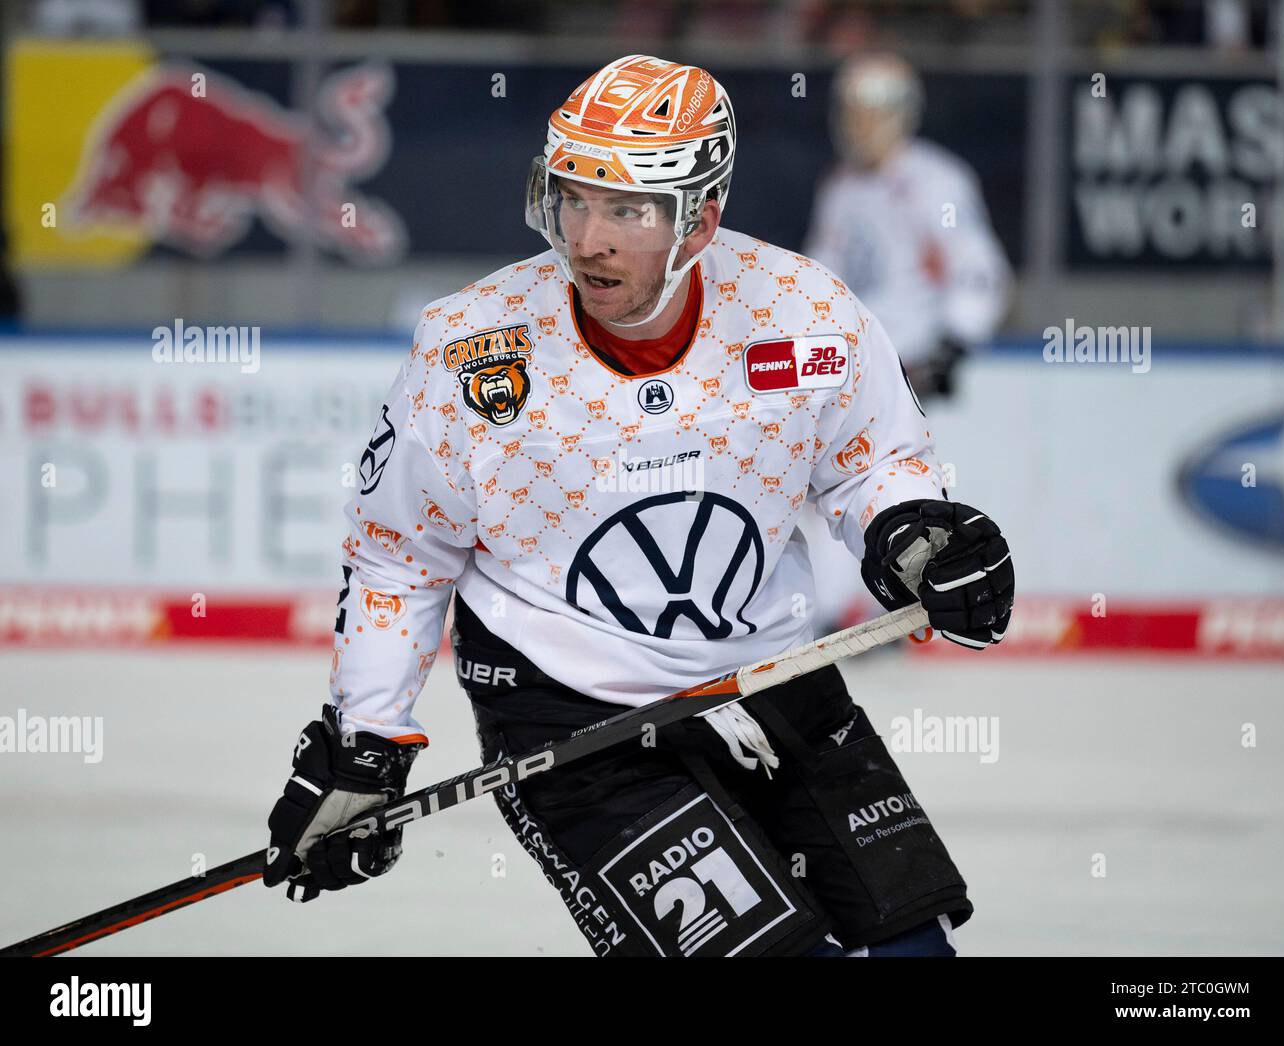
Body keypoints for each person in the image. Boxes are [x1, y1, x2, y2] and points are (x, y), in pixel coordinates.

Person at [262, 55, 1014, 957]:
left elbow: (870, 464)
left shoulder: (803, 312)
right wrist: (367, 738)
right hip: (579, 727)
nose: (588, 239)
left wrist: (918, 538)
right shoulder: (471, 349)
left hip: (776, 682)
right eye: (572, 198)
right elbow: (400, 553)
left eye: (628, 209)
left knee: (914, 953)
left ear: (701, 217)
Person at [804, 52, 1011, 401]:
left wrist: (950, 348)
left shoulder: (935, 179)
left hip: (915, 373)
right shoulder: (839, 188)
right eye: (852, 113)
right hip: (853, 373)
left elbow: (980, 273)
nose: (859, 126)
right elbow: (821, 276)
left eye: (869, 114)